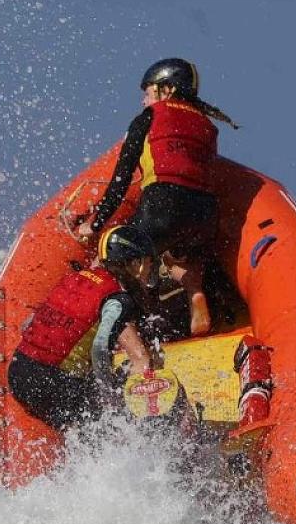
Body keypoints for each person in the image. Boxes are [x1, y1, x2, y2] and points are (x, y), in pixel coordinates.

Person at [77, 58, 238, 337]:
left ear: (167, 90)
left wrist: (94, 223)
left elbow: (120, 181)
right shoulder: (206, 125)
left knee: (112, 262)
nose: (143, 100)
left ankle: (131, 335)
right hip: (204, 216)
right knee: (181, 258)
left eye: (148, 91)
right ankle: (195, 292)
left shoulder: (148, 118)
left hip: (162, 206)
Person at [6, 225, 157, 431]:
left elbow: (29, 323)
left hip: (19, 371)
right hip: (51, 380)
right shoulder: (118, 298)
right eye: (148, 264)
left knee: (79, 432)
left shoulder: (76, 278)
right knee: (101, 431)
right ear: (136, 263)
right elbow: (102, 347)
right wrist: (108, 389)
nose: (149, 271)